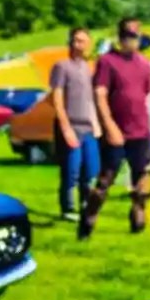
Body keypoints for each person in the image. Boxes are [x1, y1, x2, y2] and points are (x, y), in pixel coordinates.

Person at [79, 18, 150, 239]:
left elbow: (147, 96)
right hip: (117, 131)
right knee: (106, 179)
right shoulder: (107, 62)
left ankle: (138, 219)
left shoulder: (143, 63)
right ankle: (88, 221)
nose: (130, 41)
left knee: (142, 178)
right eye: (126, 37)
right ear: (120, 37)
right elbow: (100, 95)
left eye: (134, 37)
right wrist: (109, 125)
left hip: (140, 131)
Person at [50, 28, 101, 221]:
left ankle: (86, 206)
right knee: (71, 171)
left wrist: (97, 123)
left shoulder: (89, 68)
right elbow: (57, 98)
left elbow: (91, 99)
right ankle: (68, 209)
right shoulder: (62, 67)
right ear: (70, 43)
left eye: (83, 41)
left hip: (88, 128)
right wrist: (65, 128)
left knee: (90, 171)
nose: (80, 45)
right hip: (71, 126)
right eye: (76, 41)